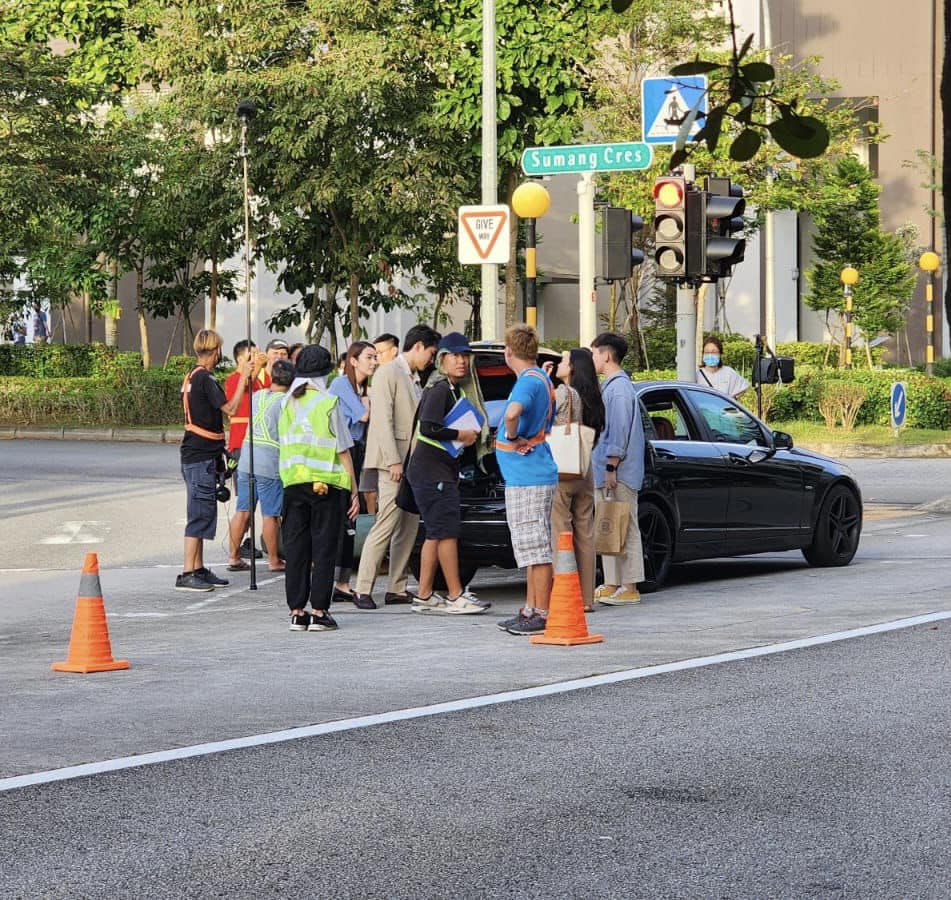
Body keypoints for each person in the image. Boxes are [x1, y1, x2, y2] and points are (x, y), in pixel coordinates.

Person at [354, 324, 440, 609]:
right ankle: (362, 587)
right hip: (393, 461)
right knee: (388, 522)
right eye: (430, 352)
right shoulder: (389, 372)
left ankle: (397, 587)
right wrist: (392, 460)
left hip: (411, 462)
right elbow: (382, 420)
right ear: (417, 346)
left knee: (409, 524)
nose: (431, 359)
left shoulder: (414, 377)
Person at [278, 345, 359, 633]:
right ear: (325, 373)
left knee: (297, 549)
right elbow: (343, 449)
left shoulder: (287, 402)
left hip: (293, 483)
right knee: (324, 548)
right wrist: (353, 490)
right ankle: (319, 611)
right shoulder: (328, 402)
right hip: (328, 484)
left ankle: (297, 613)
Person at [406, 332, 485, 615]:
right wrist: (460, 434)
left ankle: (425, 594)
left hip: (437, 470)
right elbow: (428, 427)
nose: (462, 361)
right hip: (431, 472)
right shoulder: (439, 389)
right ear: (442, 360)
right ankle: (455, 595)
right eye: (455, 356)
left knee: (435, 533)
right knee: (447, 532)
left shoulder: (455, 390)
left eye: (465, 356)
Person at [176, 329, 253, 593]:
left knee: (203, 511)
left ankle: (197, 568)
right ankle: (188, 571)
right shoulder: (205, 379)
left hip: (199, 453)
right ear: (216, 351)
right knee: (199, 514)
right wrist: (245, 376)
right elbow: (230, 409)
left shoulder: (191, 376)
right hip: (200, 456)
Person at [494, 324, 559, 636]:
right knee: (530, 547)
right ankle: (530, 609)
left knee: (535, 546)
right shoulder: (540, 378)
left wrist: (512, 435)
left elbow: (511, 413)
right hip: (530, 474)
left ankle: (541, 611)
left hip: (528, 475)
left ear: (509, 352)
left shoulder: (526, 384)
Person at [544, 348, 605, 613]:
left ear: (573, 369)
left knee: (561, 531)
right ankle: (587, 598)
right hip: (584, 466)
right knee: (585, 532)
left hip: (562, 467)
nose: (559, 363)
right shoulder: (593, 396)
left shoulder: (562, 393)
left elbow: (541, 418)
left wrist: (546, 381)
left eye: (565, 360)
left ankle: (567, 592)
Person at [590, 332, 645, 605]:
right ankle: (612, 583)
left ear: (606, 355)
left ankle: (630, 585)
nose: (593, 359)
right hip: (606, 469)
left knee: (626, 525)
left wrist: (612, 464)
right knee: (609, 525)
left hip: (618, 471)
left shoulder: (620, 389)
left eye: (594, 353)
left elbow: (619, 431)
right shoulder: (610, 387)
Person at [226, 359, 295, 574]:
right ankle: (274, 559)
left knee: (243, 511)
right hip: (270, 463)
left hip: (247, 459)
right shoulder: (287, 403)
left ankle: (233, 557)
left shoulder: (258, 396)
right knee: (270, 514)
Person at [329, 340, 379, 601]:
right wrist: (368, 402)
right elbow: (363, 416)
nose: (374, 362)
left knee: (352, 517)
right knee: (345, 514)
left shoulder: (361, 387)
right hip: (340, 454)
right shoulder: (341, 384)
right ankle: (337, 581)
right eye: (369, 357)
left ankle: (342, 582)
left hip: (358, 451)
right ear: (353, 360)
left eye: (376, 357)